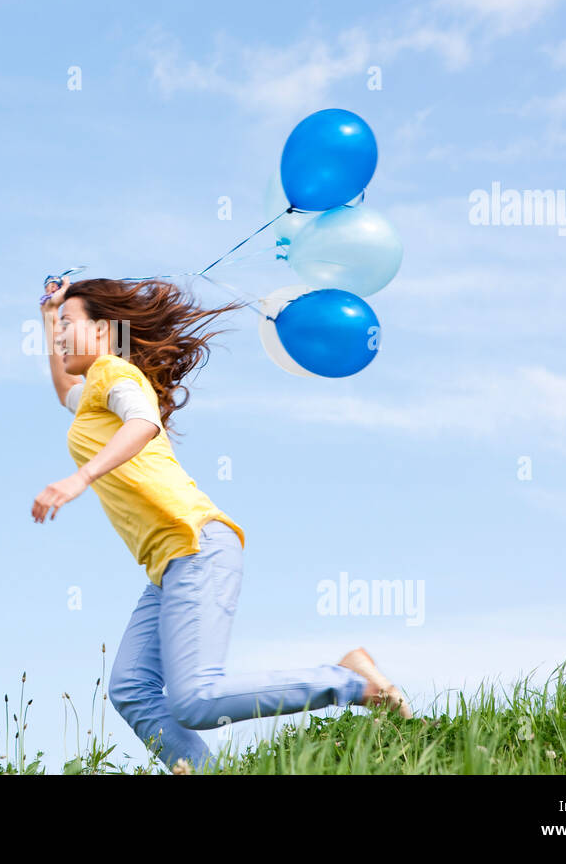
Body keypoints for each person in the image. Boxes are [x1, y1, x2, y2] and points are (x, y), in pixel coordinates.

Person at [34, 275, 412, 773]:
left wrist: (80, 478)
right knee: (131, 688)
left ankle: (352, 682)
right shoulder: (88, 399)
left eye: (68, 325)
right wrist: (48, 313)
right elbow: (64, 385)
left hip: (196, 543)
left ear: (106, 333)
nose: (60, 335)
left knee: (196, 699)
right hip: (168, 565)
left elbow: (143, 421)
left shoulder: (113, 373)